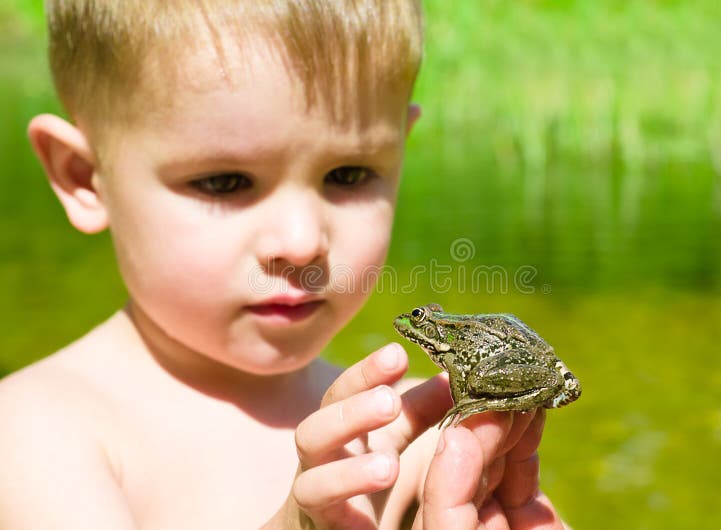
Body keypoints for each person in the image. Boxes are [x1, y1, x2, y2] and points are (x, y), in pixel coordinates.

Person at [0, 1, 569, 528]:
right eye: (225, 181)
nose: (301, 243)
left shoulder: (421, 433)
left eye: (347, 174)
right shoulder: (35, 435)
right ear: (82, 176)